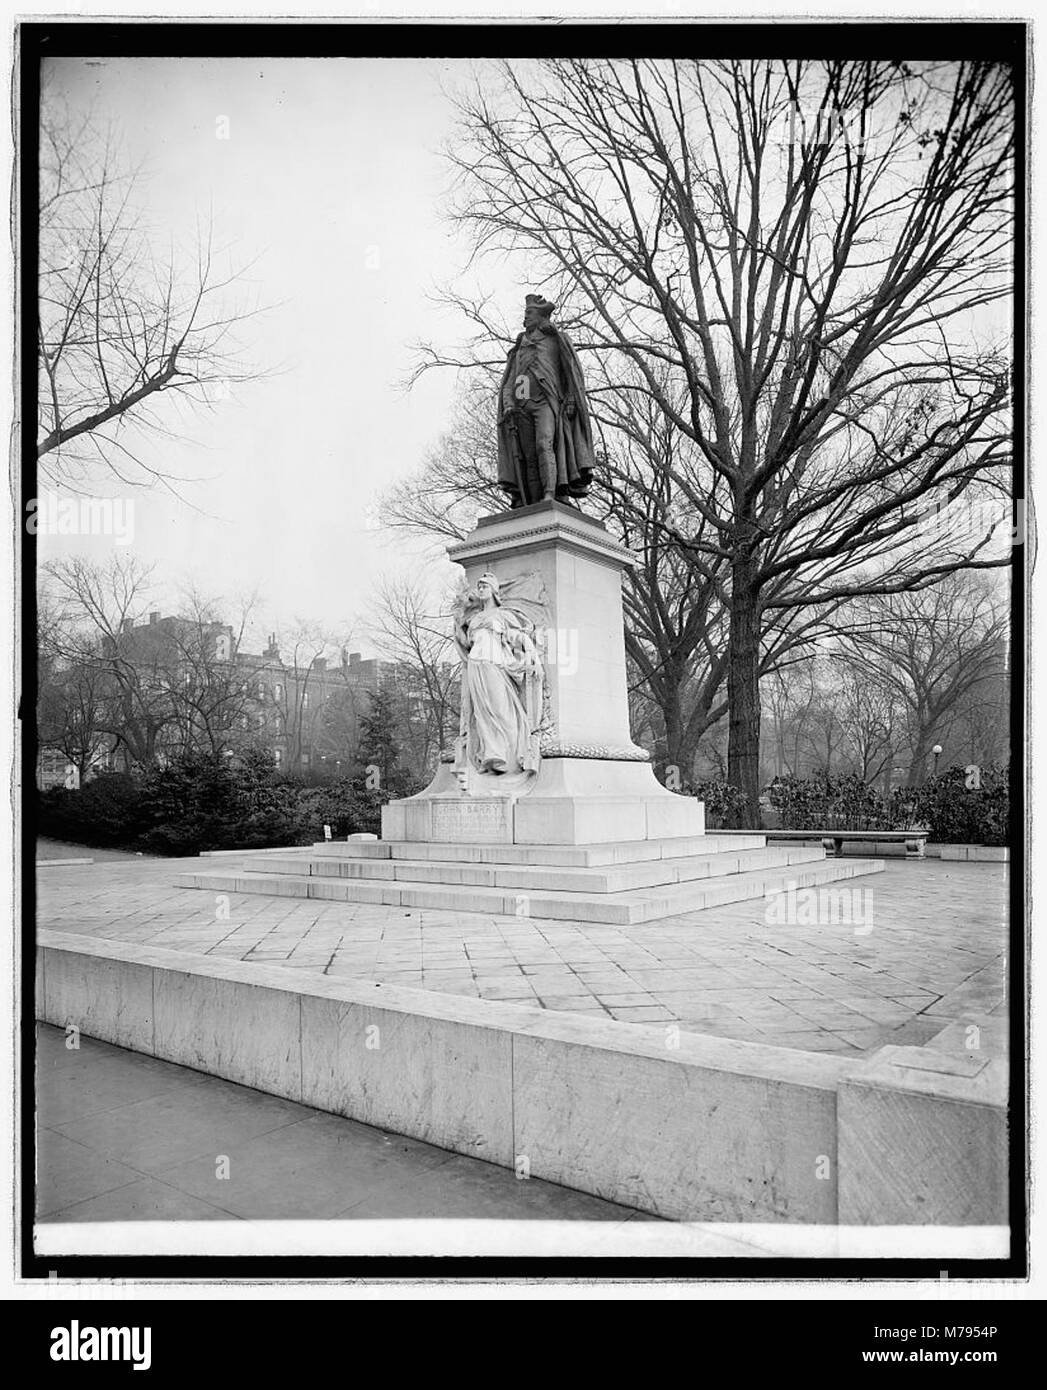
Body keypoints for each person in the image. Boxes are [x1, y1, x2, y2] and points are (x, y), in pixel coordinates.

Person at [496, 294, 595, 508]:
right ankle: (532, 501)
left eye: (530, 313)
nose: (526, 317)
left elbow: (570, 372)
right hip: (523, 405)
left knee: (544, 444)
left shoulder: (555, 339)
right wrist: (509, 404)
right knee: (529, 456)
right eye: (525, 314)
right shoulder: (521, 344)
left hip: (546, 403)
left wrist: (570, 397)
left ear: (541, 316)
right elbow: (512, 380)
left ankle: (551, 493)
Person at [454, 573, 543, 779]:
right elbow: (466, 645)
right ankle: (491, 757)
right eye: (479, 586)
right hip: (476, 665)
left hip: (495, 666)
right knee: (482, 713)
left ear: (494, 590)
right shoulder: (474, 619)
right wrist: (458, 624)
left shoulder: (504, 615)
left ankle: (510, 756)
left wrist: (534, 659)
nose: (481, 589)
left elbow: (519, 637)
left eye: (485, 586)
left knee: (501, 710)